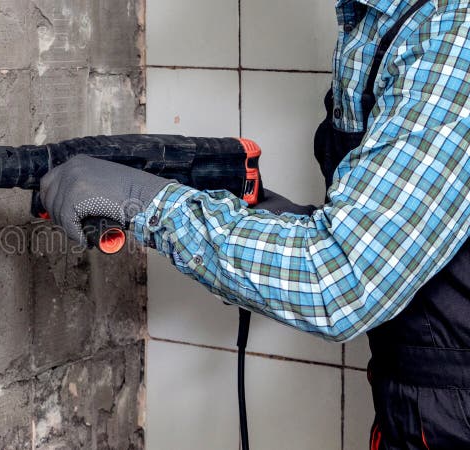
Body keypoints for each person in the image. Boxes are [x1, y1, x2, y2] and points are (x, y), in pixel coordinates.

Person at [40, 0, 470, 448]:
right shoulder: (372, 23)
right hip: (416, 411)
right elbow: (397, 229)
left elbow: (342, 282)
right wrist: (286, 222)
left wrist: (145, 203)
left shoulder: (451, 34)